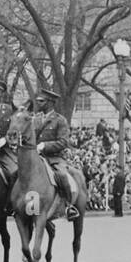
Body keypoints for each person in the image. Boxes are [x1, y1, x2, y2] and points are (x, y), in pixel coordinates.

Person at [30, 86, 80, 219]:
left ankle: (69, 206)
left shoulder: (60, 120)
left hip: (54, 158)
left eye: (41, 101)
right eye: (38, 101)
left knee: (62, 175)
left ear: (50, 103)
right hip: (36, 158)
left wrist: (45, 145)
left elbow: (63, 142)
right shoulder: (34, 120)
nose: (38, 103)